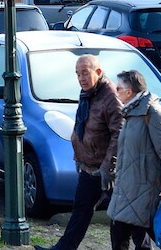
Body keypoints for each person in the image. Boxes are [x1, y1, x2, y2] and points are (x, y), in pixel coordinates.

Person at [39, 54, 123, 250]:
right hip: (90, 166)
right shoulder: (88, 93)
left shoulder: (110, 96)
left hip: (110, 170)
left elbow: (119, 134)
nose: (81, 79)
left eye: (85, 73)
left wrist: (108, 168)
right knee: (80, 212)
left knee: (127, 217)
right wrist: (79, 156)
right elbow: (82, 127)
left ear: (98, 72)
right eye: (78, 74)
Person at [106, 70, 161, 250]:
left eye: (118, 88)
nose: (115, 91)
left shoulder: (154, 113)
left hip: (146, 191)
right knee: (118, 236)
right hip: (126, 189)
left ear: (129, 92)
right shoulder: (130, 113)